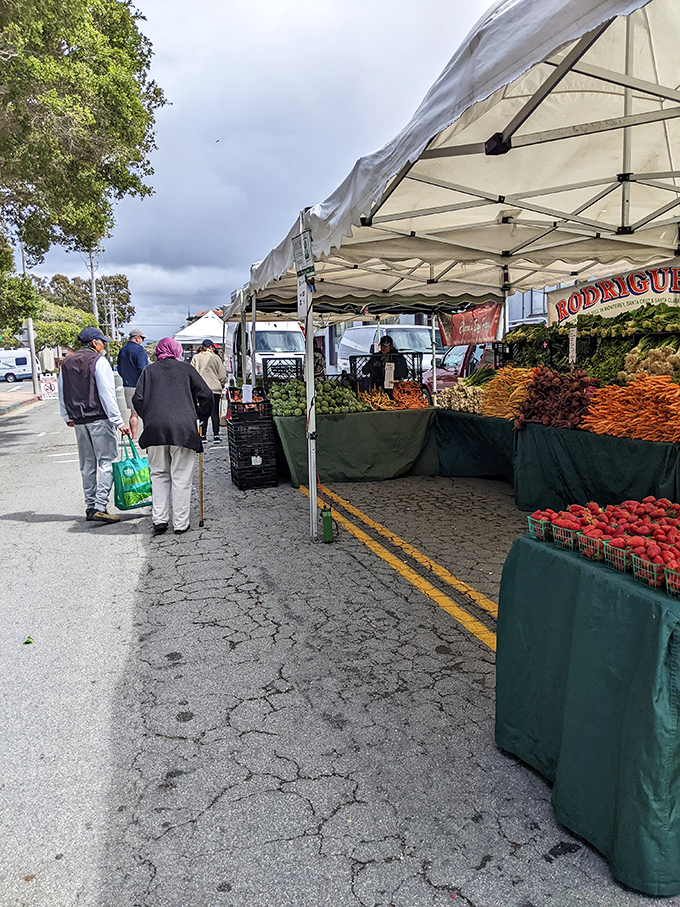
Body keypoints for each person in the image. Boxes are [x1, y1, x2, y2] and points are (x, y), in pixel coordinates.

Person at [132, 337, 213, 535]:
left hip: (155, 429)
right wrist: (200, 416)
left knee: (158, 474)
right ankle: (180, 523)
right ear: (176, 350)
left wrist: (150, 416)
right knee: (181, 477)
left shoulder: (149, 371)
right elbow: (207, 395)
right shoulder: (186, 369)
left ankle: (159, 520)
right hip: (183, 429)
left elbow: (138, 399)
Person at [57, 326, 131, 524]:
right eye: (102, 342)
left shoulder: (67, 362)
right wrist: (119, 422)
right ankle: (99, 506)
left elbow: (61, 391)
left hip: (79, 420)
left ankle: (90, 505)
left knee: (87, 464)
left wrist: (66, 415)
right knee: (107, 462)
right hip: (98, 418)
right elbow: (107, 394)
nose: (103, 346)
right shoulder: (99, 362)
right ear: (94, 343)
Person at [191, 338, 227, 443]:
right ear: (211, 347)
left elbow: (192, 373)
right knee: (214, 412)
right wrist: (222, 384)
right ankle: (216, 435)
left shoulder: (196, 358)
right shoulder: (216, 358)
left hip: (201, 389)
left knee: (203, 413)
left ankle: (203, 436)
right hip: (215, 388)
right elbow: (222, 375)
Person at [116, 328, 149, 440]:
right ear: (137, 338)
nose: (142, 341)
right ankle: (146, 437)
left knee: (133, 413)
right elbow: (143, 368)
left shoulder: (122, 350)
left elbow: (119, 368)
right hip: (140, 385)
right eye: (142, 338)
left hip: (128, 384)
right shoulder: (139, 350)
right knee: (145, 413)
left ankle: (134, 437)